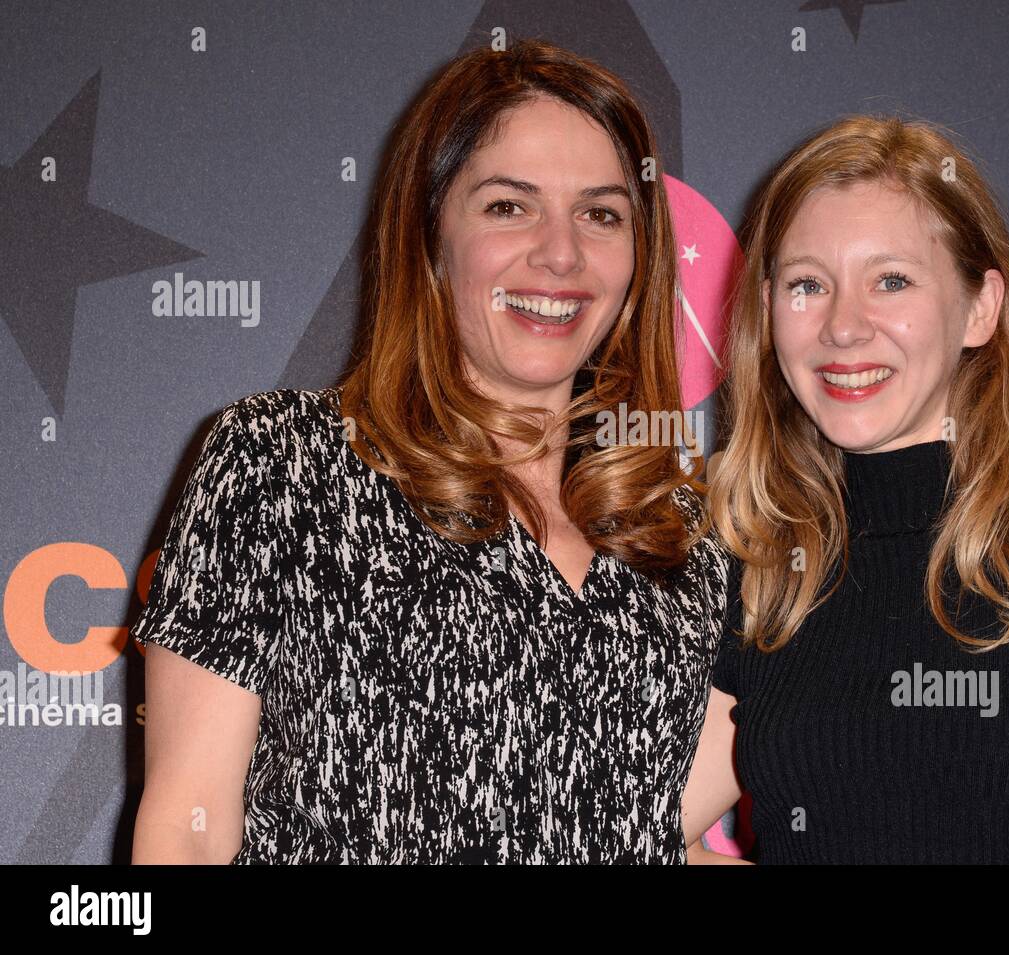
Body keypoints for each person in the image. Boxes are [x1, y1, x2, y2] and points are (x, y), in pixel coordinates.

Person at [130, 39, 729, 864]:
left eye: (602, 213)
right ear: (430, 236)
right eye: (508, 206)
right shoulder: (282, 462)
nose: (561, 253)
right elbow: (188, 826)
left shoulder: (685, 531)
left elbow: (654, 839)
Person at [682, 115, 1009, 864]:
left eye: (891, 280)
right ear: (769, 313)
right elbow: (616, 832)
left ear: (980, 307)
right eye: (808, 285)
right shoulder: (756, 580)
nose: (843, 326)